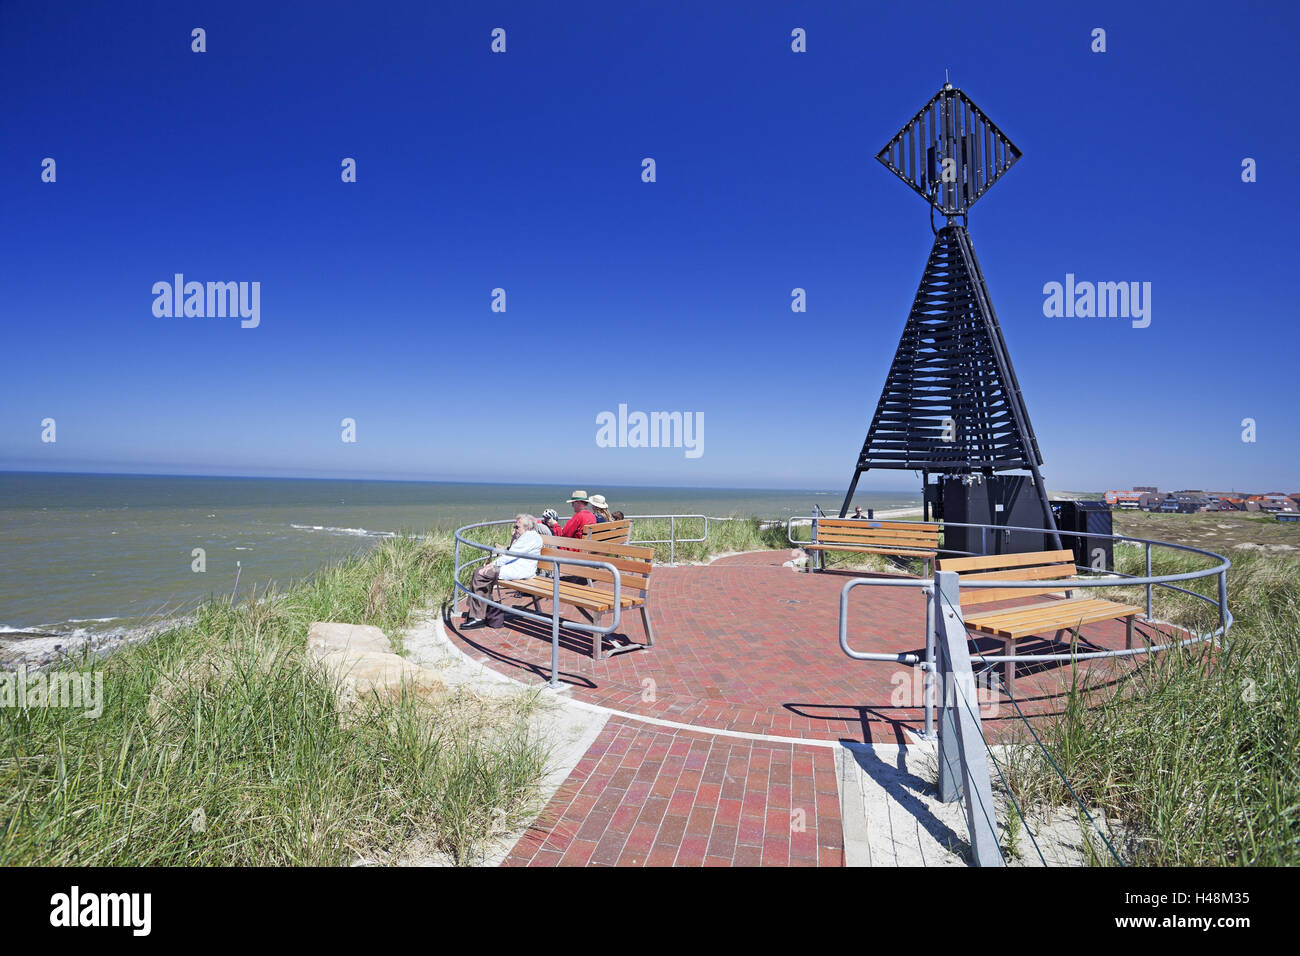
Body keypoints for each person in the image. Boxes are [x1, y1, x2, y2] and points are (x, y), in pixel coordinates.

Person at [463, 514, 542, 628]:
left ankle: (478, 616)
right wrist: (514, 538)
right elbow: (512, 553)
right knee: (479, 571)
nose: (514, 529)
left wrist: (493, 565)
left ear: (527, 527)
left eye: (517, 527)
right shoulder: (525, 536)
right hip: (515, 567)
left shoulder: (530, 537)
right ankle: (477, 612)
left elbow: (511, 555)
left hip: (521, 570)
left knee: (481, 574)